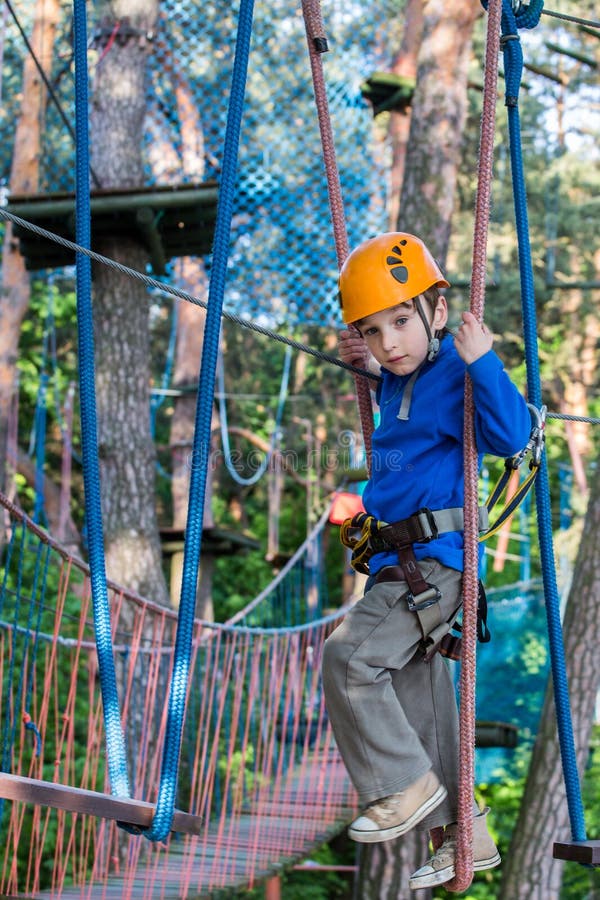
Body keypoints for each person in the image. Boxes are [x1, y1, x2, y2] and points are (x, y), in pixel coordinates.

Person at [321, 232, 531, 890]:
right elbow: (389, 372)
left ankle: (404, 788)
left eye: (402, 321)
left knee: (349, 660)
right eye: (373, 331)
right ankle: (463, 831)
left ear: (438, 311)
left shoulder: (456, 374)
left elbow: (514, 437)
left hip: (435, 567)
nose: (390, 343)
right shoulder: (393, 378)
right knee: (424, 712)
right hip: (401, 565)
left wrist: (486, 360)